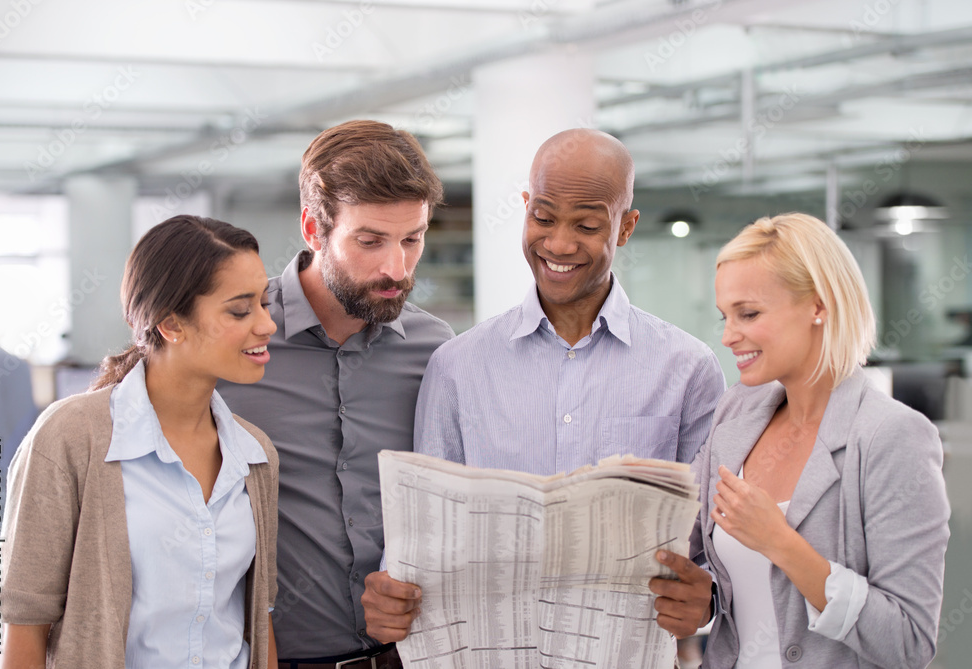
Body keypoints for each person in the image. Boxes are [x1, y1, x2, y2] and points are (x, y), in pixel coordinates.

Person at [362, 128, 727, 663]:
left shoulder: (688, 369)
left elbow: (713, 548)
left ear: (625, 227)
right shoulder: (458, 366)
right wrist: (392, 596)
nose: (558, 244)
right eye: (544, 217)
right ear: (526, 207)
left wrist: (709, 601)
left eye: (586, 224)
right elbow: (423, 543)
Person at [217, 119, 454, 668]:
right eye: (369, 241)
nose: (396, 267)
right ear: (313, 227)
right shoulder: (233, 340)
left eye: (412, 239)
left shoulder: (437, 351)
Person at [0, 215, 280, 669]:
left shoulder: (255, 453)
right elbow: (25, 626)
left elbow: (258, 619)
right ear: (171, 324)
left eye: (265, 304)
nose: (267, 325)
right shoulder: (71, 438)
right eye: (240, 310)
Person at [693, 212, 950, 667]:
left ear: (818, 306)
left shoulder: (891, 436)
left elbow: (908, 643)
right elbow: (701, 561)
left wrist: (781, 543)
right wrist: (697, 599)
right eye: (725, 316)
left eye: (748, 313)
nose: (729, 336)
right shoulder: (736, 413)